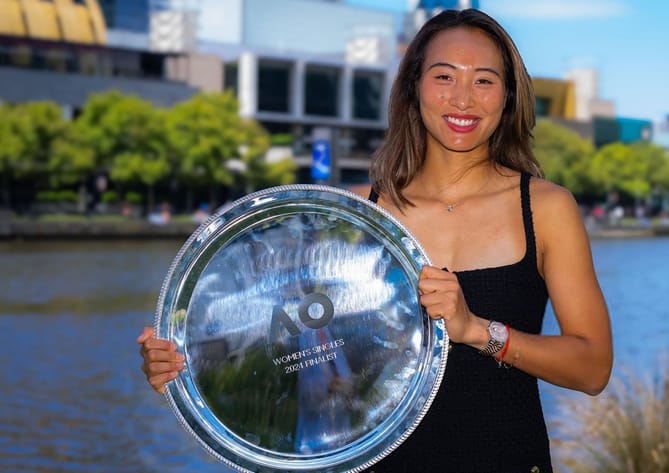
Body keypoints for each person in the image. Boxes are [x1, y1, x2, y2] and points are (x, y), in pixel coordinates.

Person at [138, 8, 612, 473]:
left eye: (484, 81)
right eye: (444, 77)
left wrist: (477, 331)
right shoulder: (353, 214)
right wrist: (187, 367)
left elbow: (592, 368)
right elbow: (280, 343)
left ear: (508, 96)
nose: (463, 99)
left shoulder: (545, 208)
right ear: (414, 87)